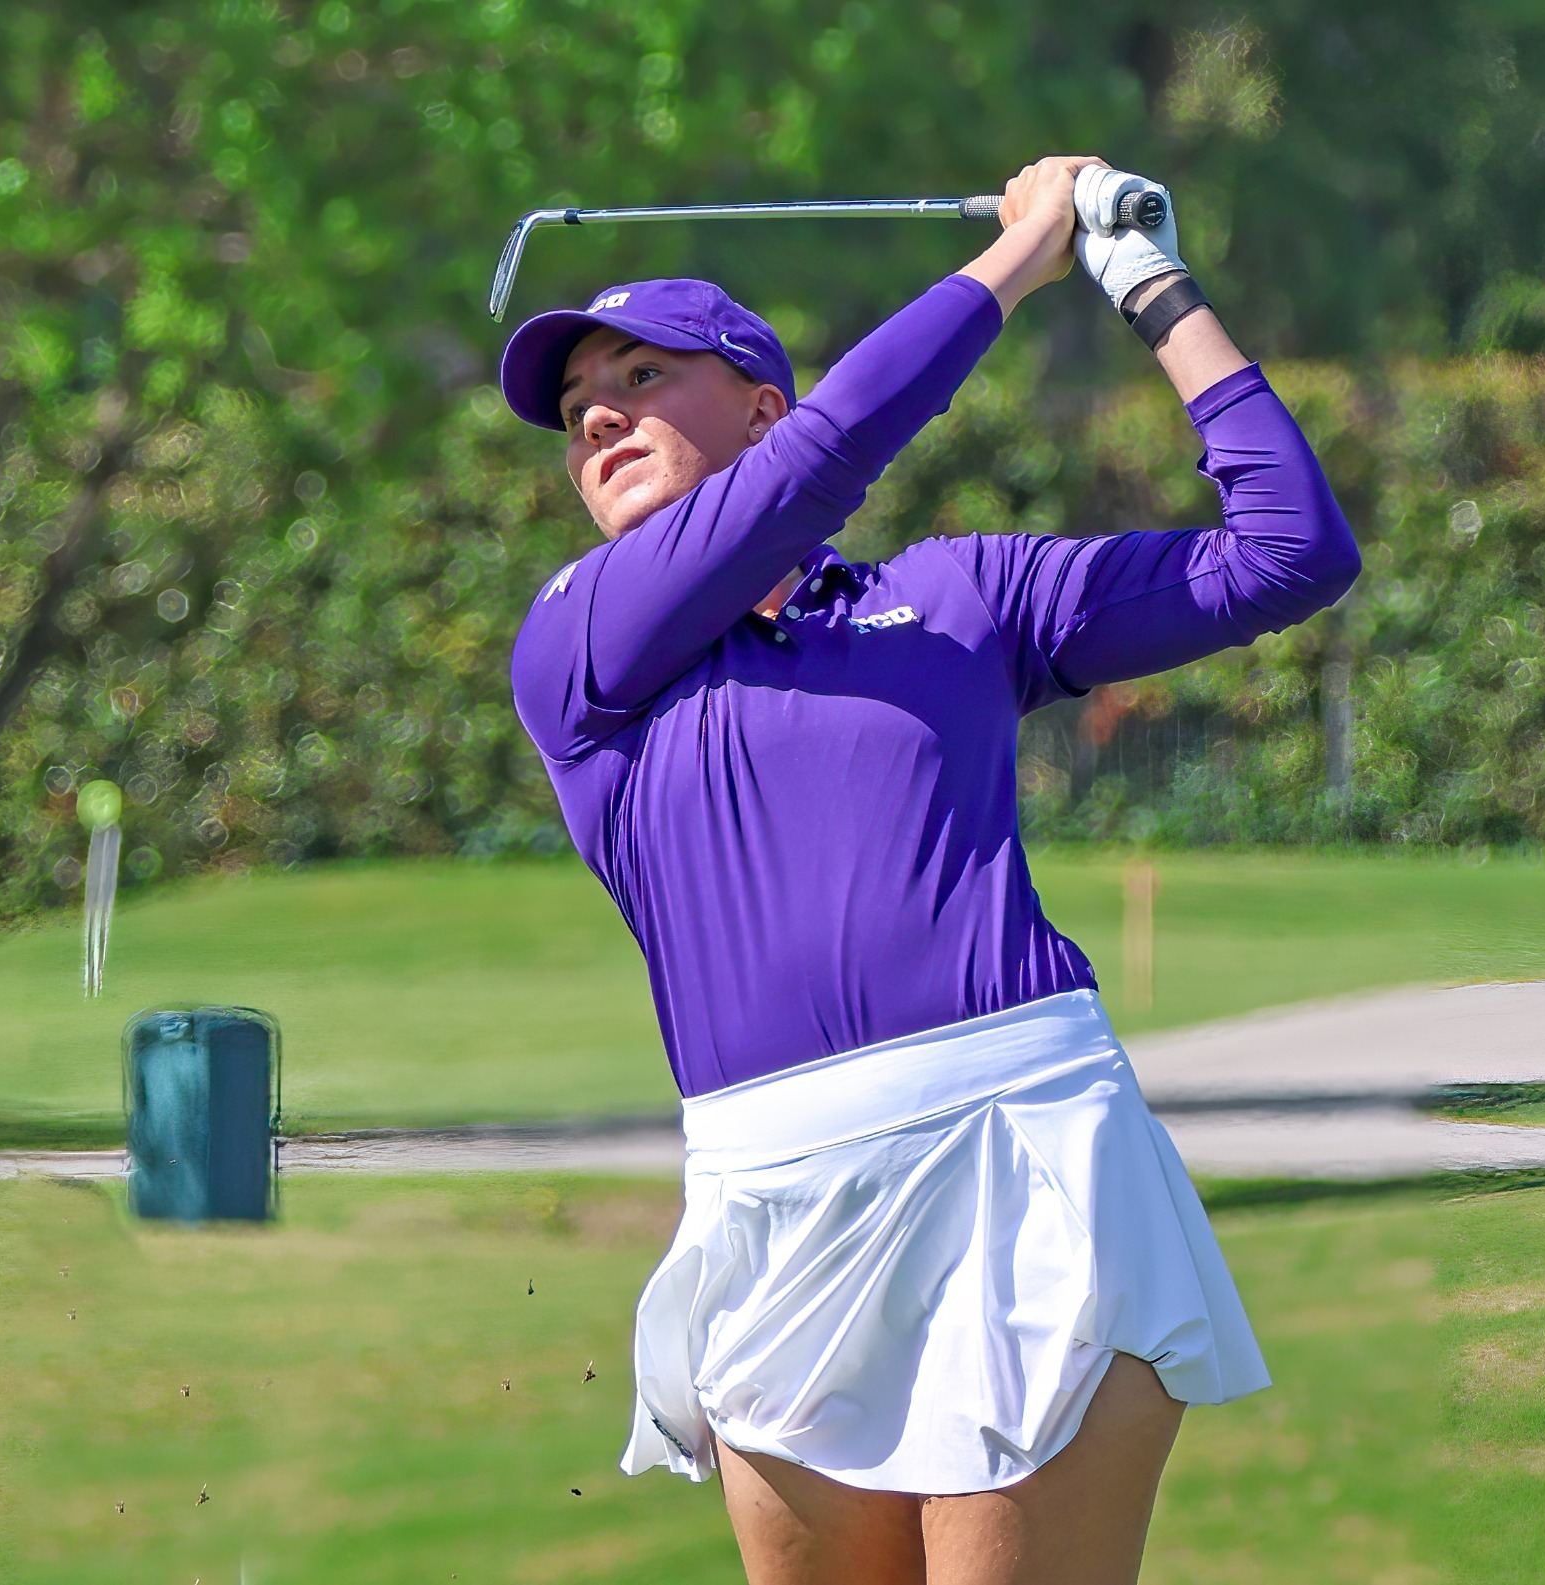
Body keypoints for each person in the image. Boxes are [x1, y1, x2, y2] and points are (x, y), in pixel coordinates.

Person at [501, 155, 1360, 1585]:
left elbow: (1289, 553)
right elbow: (829, 457)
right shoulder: (578, 642)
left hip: (1020, 1151)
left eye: (645, 375)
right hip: (772, 1190)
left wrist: (1141, 274)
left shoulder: (958, 596)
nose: (599, 412)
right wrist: (1014, 258)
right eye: (581, 404)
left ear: (759, 406)